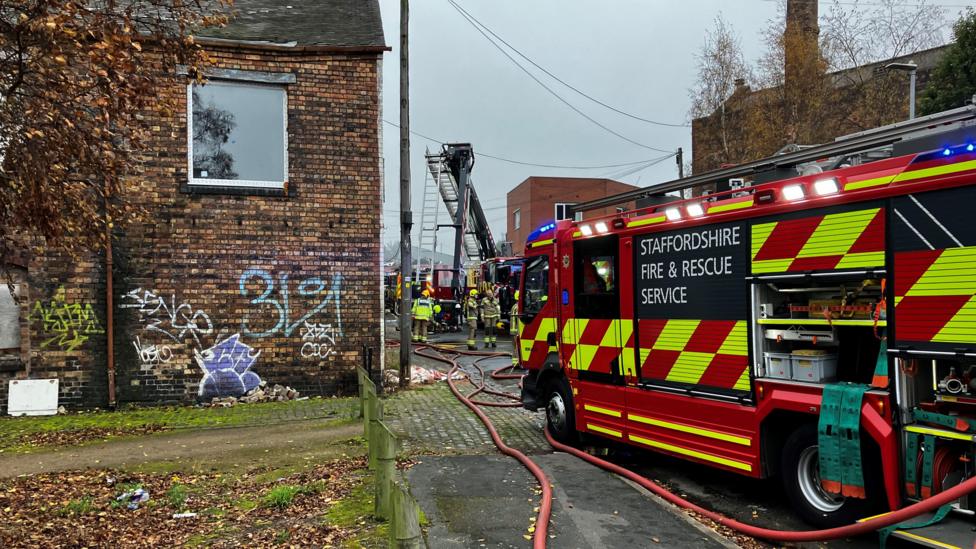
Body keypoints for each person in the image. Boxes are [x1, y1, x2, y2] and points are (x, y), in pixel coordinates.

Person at [509, 290, 520, 367]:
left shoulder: (514, 306)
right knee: (516, 346)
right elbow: (518, 320)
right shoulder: (517, 307)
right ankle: (516, 363)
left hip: (513, 330)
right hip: (516, 330)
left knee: (515, 346)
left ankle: (515, 362)